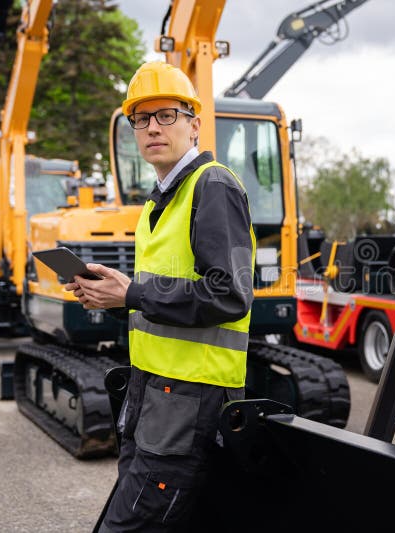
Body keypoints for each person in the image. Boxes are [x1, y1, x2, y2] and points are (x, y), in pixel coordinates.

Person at [65, 61, 255, 532]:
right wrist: (112, 299)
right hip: (151, 393)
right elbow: (156, 304)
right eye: (141, 119)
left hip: (190, 399)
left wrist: (132, 291)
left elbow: (230, 294)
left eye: (166, 115)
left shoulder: (212, 185)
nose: (152, 127)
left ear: (194, 124)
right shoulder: (156, 202)